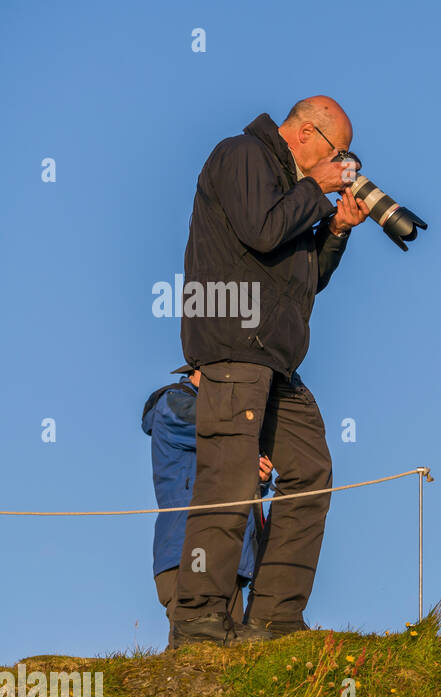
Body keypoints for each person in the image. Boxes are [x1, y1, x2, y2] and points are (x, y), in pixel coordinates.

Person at [171, 96, 368, 647]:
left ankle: (275, 619)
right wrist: (316, 190)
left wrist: (337, 230)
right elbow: (261, 230)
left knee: (310, 470)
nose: (343, 163)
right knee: (228, 480)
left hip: (277, 360)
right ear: (306, 133)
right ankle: (198, 620)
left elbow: (304, 278)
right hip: (234, 344)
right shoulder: (242, 156)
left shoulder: (292, 187)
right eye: (339, 153)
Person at [142, 366, 272, 646]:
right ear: (199, 370)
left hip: (231, 558)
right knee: (194, 652)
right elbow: (215, 429)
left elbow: (229, 464)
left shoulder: (223, 419)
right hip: (185, 552)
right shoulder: (175, 404)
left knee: (230, 660)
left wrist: (257, 476)